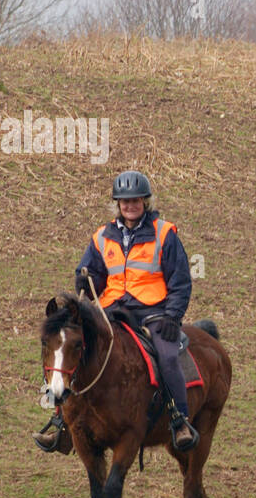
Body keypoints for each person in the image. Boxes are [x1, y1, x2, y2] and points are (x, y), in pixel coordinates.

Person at [32, 170, 197, 452]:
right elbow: (90, 272)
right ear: (117, 204)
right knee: (73, 351)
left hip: (152, 312)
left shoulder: (164, 233)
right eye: (125, 202)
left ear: (145, 202)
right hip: (111, 311)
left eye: (136, 201)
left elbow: (180, 281)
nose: (130, 206)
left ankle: (179, 419)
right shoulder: (102, 236)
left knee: (168, 356)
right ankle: (61, 422)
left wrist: (173, 316)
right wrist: (85, 280)